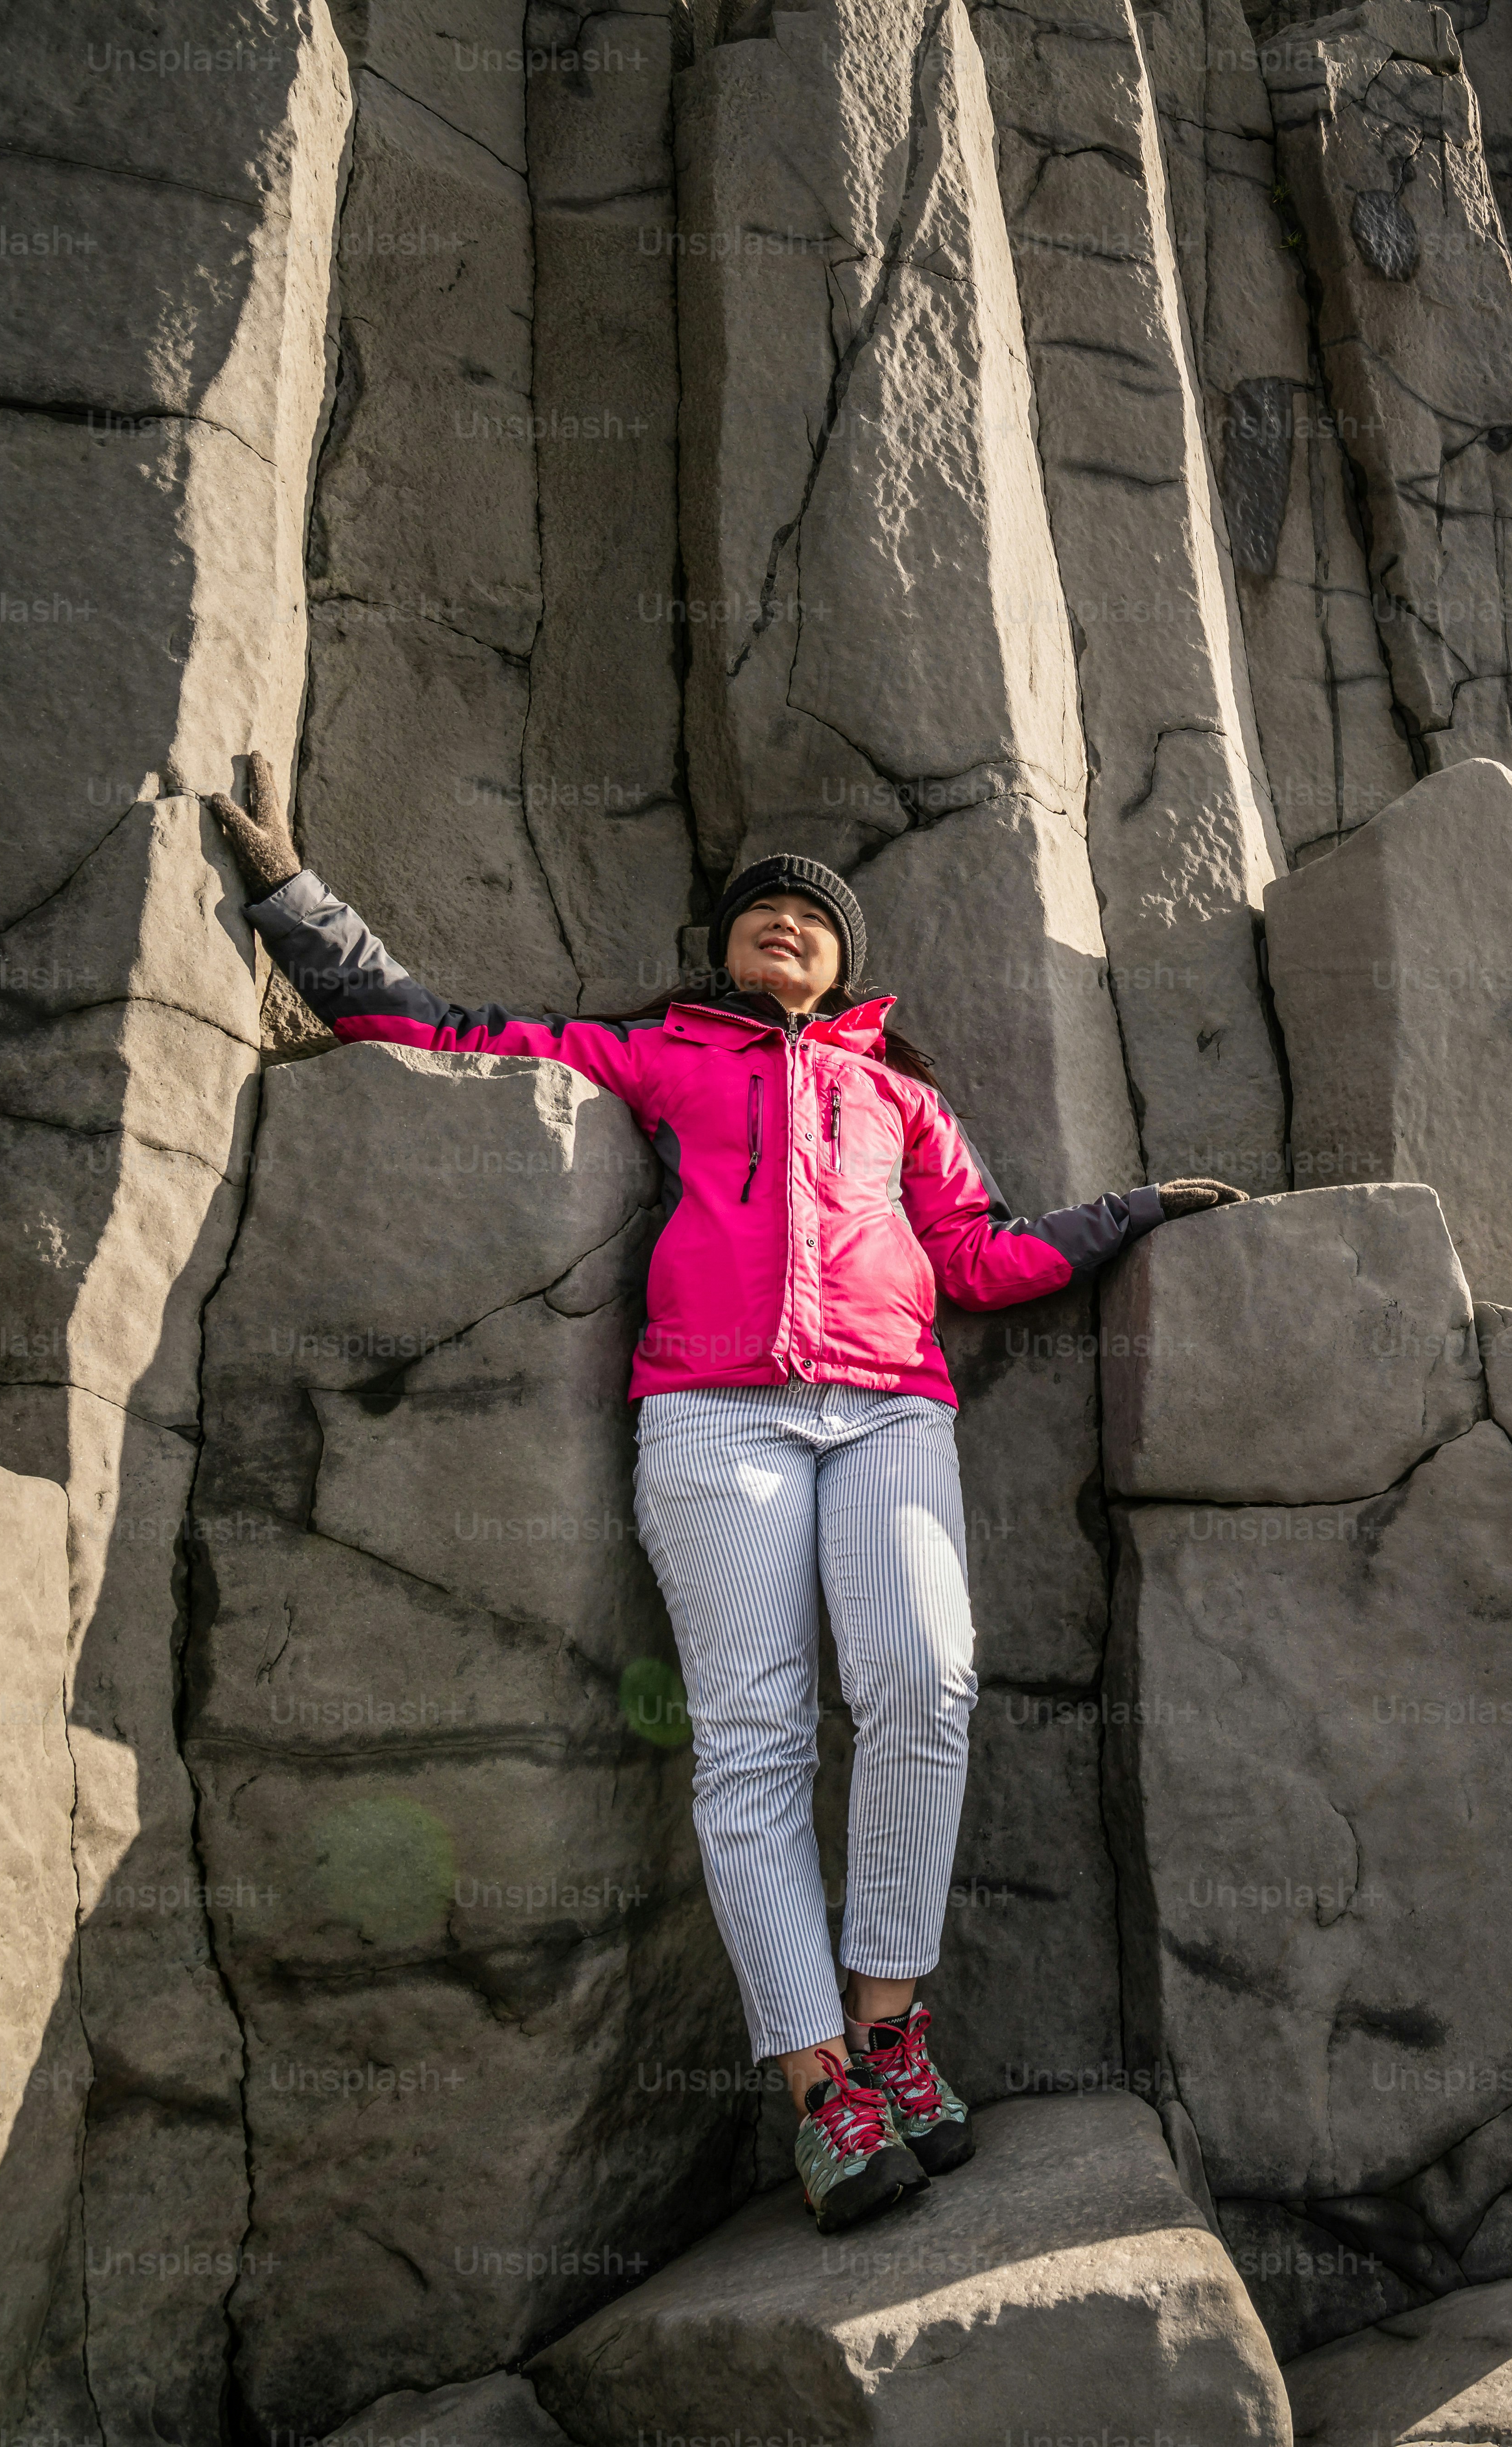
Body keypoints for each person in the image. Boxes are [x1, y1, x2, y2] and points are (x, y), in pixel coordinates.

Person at [205, 753, 1243, 2232]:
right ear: (725, 947)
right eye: (762, 910)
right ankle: (823, 2092)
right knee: (751, 1743)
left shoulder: (902, 1103)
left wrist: (1135, 1212)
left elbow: (988, 1257)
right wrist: (297, 905)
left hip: (888, 1410)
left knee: (928, 1681)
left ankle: (894, 2033)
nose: (787, 924)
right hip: (713, 1418)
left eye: (815, 920)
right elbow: (440, 1027)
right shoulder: (659, 1055)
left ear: (844, 969)